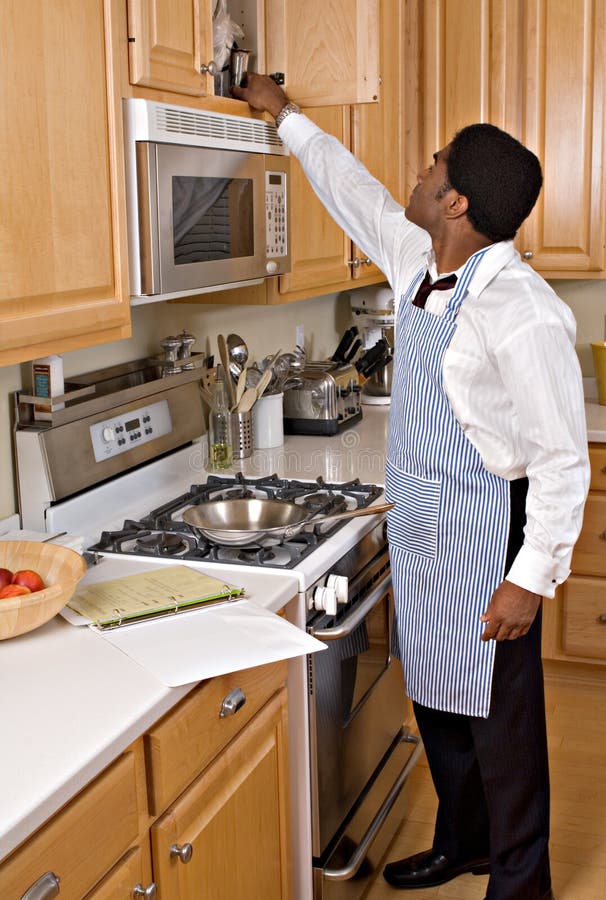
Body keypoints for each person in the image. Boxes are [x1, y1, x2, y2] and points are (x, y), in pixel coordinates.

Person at [232, 74, 590, 900]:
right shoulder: (419, 262)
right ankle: (463, 842)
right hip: (423, 522)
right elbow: (350, 187)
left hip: (488, 528)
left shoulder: (523, 311)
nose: (419, 175)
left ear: (456, 201)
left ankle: (521, 880)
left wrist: (527, 582)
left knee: (500, 723)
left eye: (434, 167)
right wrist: (285, 118)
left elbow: (564, 462)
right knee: (436, 698)